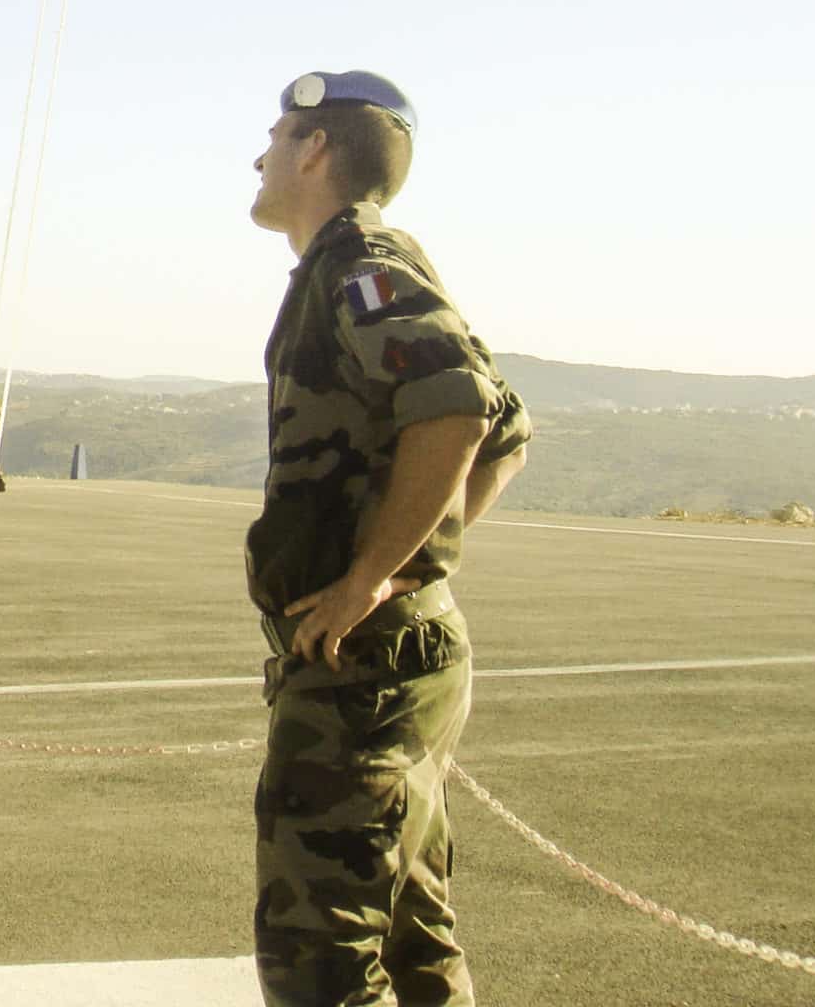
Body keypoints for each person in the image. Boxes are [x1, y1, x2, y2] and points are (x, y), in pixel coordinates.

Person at [244, 70, 531, 1007]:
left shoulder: (359, 265)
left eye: (275, 137)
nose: (259, 157)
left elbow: (463, 411)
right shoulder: (357, 266)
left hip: (367, 669)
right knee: (411, 938)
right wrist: (412, 559)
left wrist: (374, 575)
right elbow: (508, 432)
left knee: (320, 960)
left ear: (315, 149)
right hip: (391, 655)